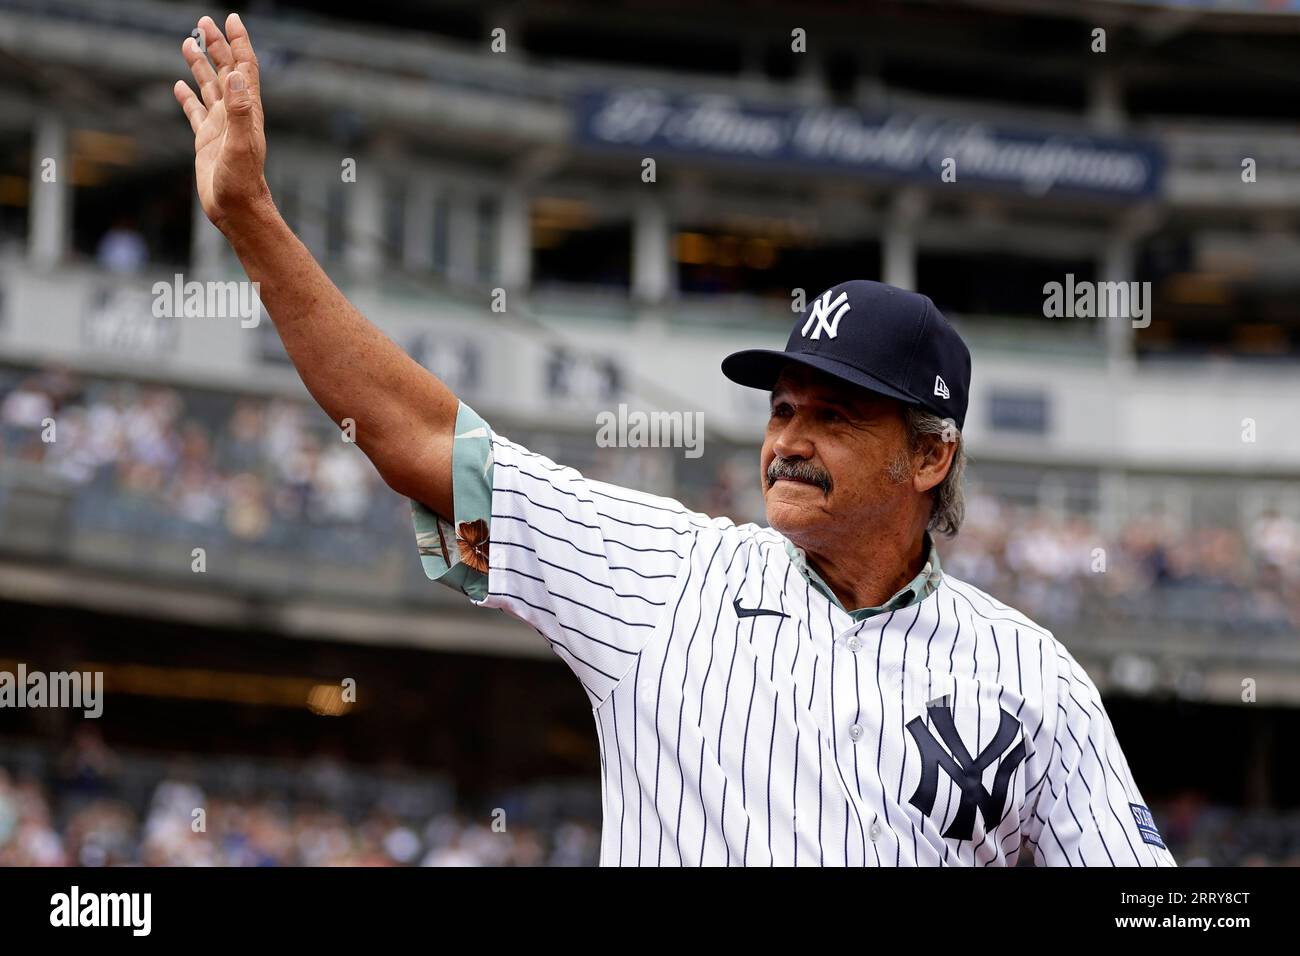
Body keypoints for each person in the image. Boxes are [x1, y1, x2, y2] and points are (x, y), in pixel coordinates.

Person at [173, 13, 1175, 866]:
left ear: (928, 455)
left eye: (834, 416)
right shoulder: (663, 576)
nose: (788, 438)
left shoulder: (1030, 675)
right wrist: (255, 220)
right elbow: (428, 440)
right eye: (782, 407)